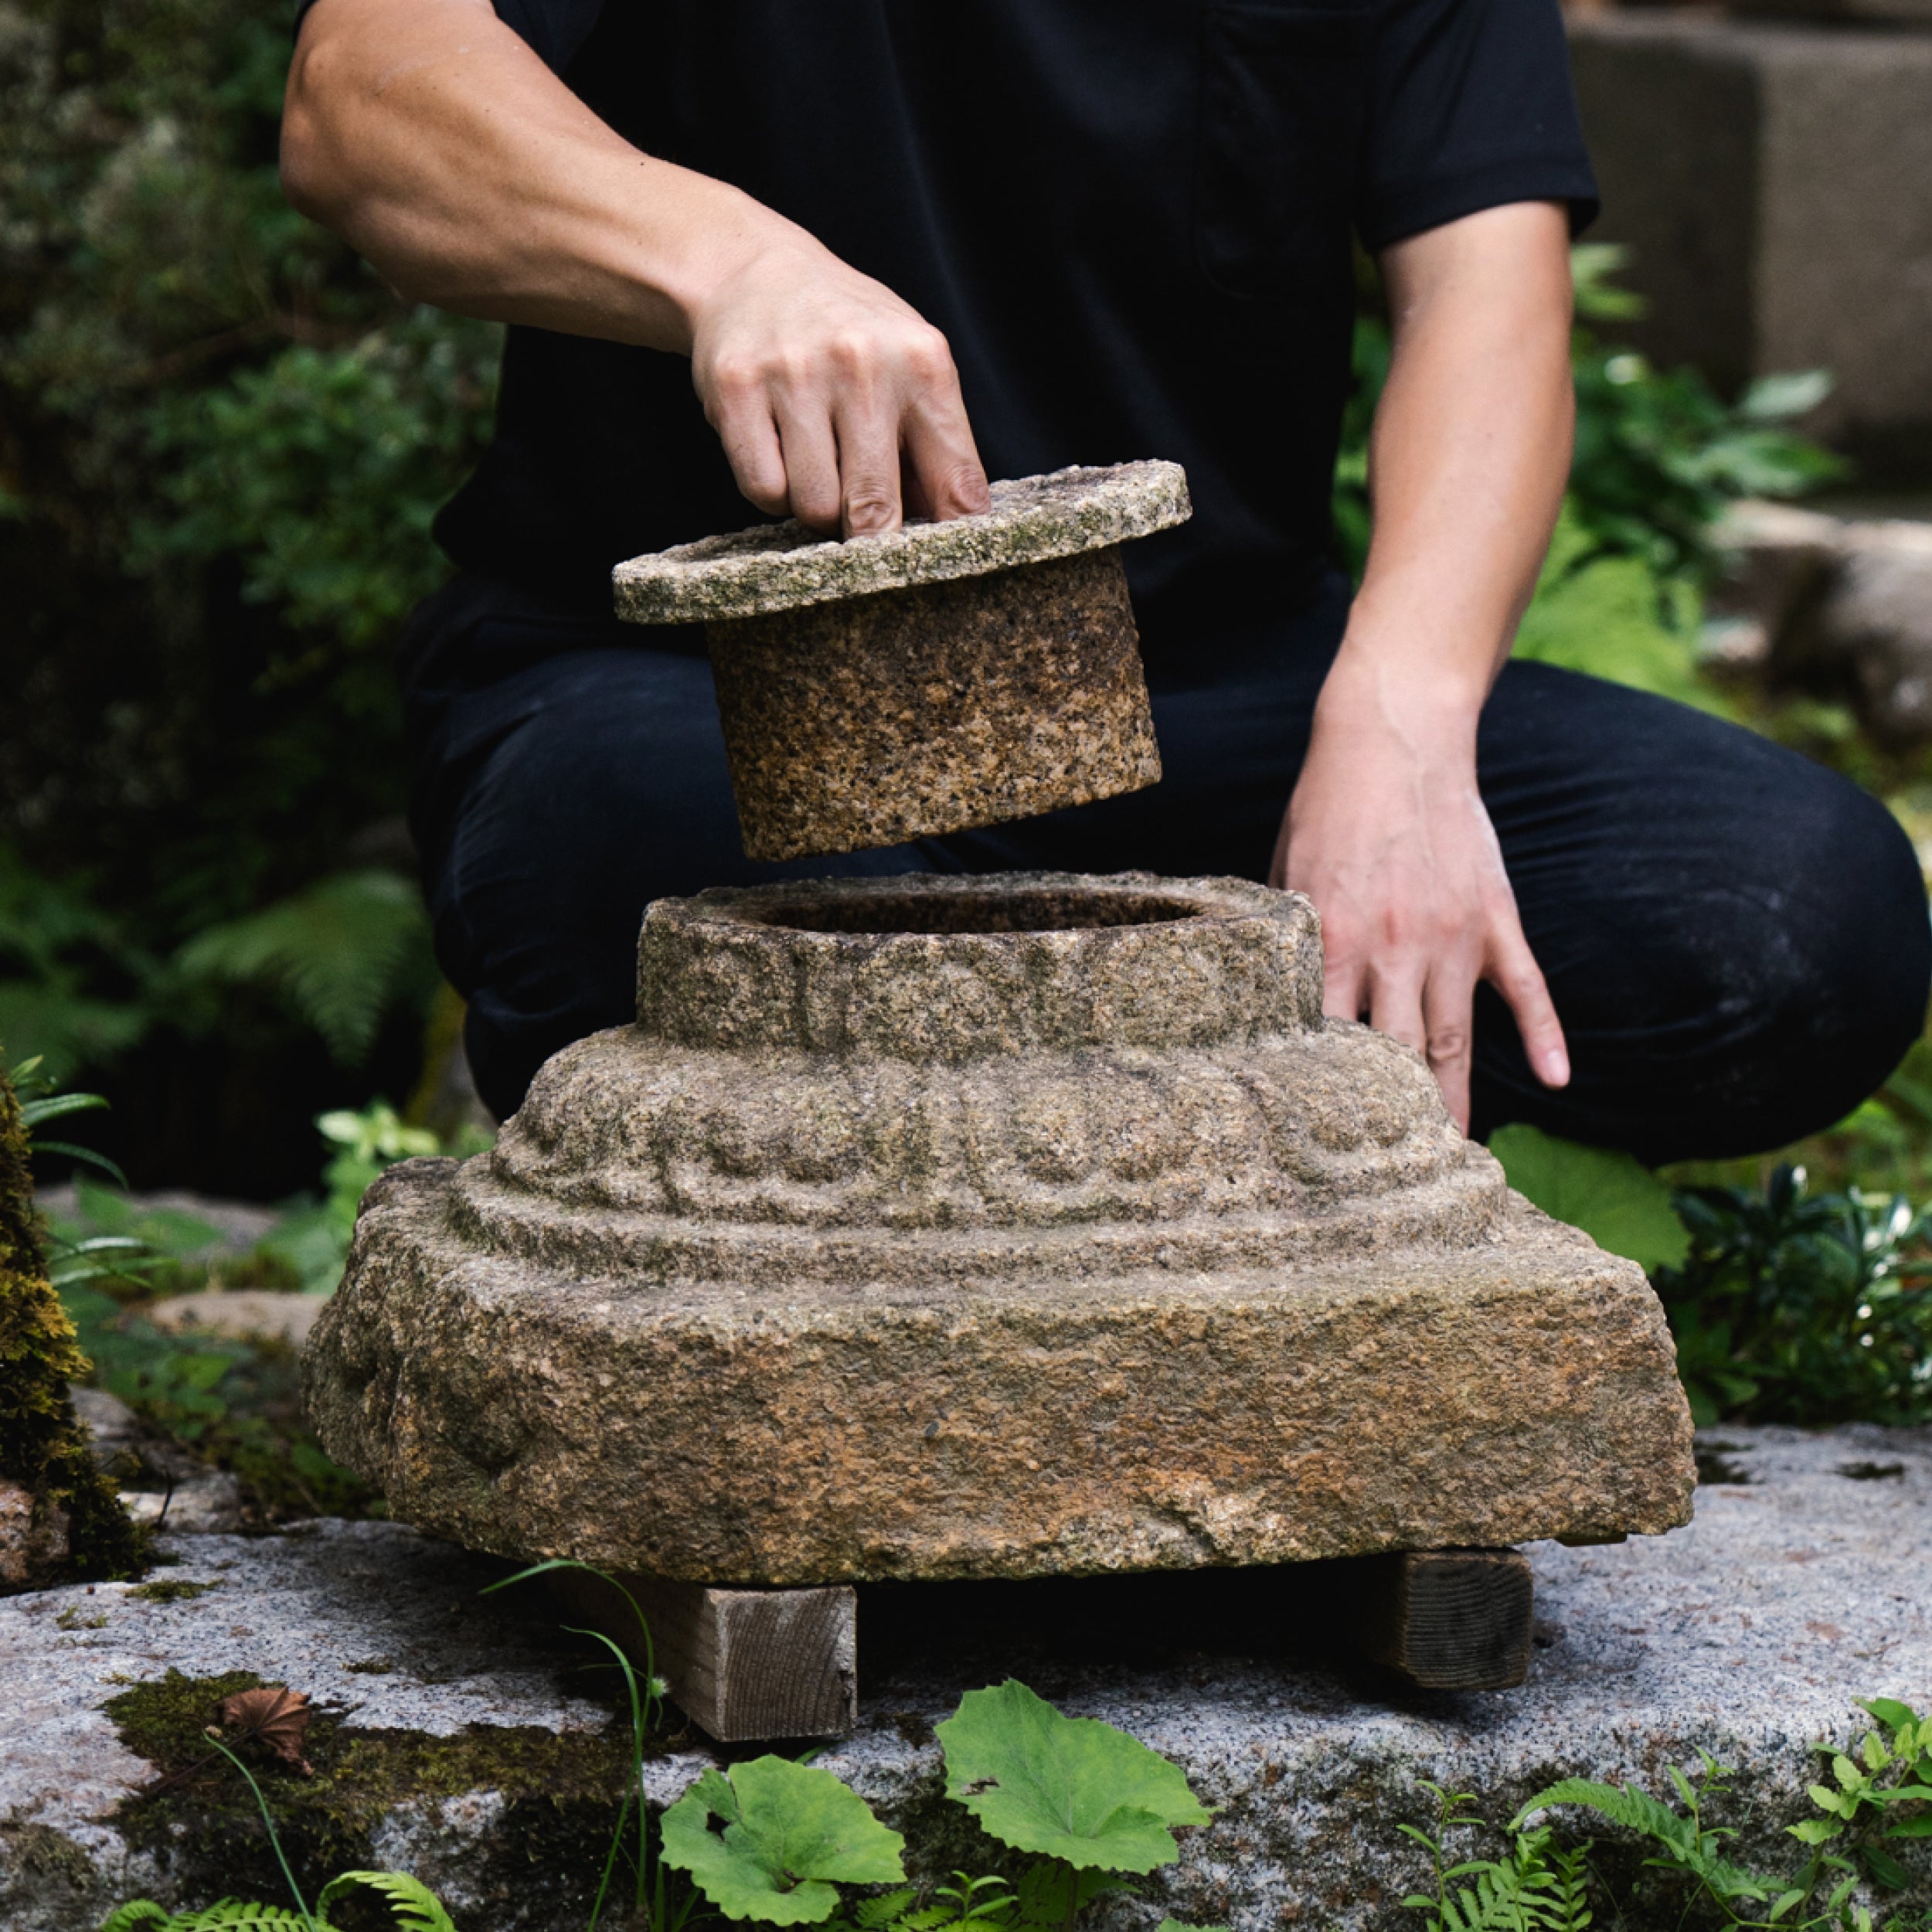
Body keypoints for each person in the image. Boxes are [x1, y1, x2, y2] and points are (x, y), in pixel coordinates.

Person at [281, 0, 1928, 1157]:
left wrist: (1403, 724)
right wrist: (721, 260)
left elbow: (1486, 295)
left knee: (1791, 916)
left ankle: (1029, 1166)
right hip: (699, 706)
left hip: (1200, 706)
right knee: (700, 893)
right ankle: (1213, 1151)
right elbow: (366, 86)